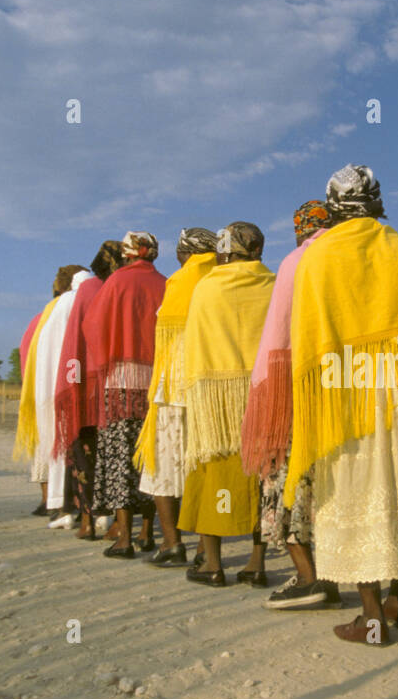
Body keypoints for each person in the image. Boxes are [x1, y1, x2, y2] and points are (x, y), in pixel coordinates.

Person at [285, 165, 398, 644]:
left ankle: (372, 617)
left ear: (331, 206)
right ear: (376, 201)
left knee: (353, 499)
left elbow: (308, 340)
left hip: (343, 399)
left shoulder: (318, 257)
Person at [242, 201, 337, 610]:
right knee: (330, 483)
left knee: (285, 479)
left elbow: (277, 334)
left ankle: (307, 577)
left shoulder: (296, 261)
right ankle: (333, 576)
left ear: (300, 229)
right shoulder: (346, 255)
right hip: (343, 390)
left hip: (296, 390)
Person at [177, 222, 275, 587]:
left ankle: (213, 564)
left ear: (224, 250)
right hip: (265, 395)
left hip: (216, 402)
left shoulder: (207, 287)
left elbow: (196, 342)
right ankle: (257, 563)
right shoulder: (274, 284)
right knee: (264, 479)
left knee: (215, 474)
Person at [135, 227, 219, 566]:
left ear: (186, 252)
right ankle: (204, 547)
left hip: (173, 387)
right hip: (211, 386)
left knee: (164, 466)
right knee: (201, 467)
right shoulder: (222, 278)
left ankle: (172, 543)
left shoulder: (180, 282)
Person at [82, 231, 166, 558]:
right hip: (156, 383)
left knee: (120, 457)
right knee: (150, 459)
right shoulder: (165, 283)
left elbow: (94, 326)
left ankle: (125, 539)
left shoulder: (117, 282)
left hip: (120, 382)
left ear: (128, 254)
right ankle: (148, 532)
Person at [54, 241, 120, 540]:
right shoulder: (123, 286)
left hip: (87, 387)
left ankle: (87, 521)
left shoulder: (88, 290)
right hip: (122, 388)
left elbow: (74, 344)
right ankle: (116, 520)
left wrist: (73, 384)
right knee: (118, 455)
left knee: (84, 454)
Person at [37, 265, 89, 527]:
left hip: (61, 388)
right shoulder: (91, 298)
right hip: (83, 387)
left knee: (67, 450)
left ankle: (66, 509)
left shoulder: (62, 304)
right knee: (85, 453)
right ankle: (90, 512)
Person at [13, 277, 63, 514]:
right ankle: (63, 499)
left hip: (36, 390)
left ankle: (47, 499)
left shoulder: (39, 318)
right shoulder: (63, 316)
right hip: (59, 389)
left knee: (42, 446)